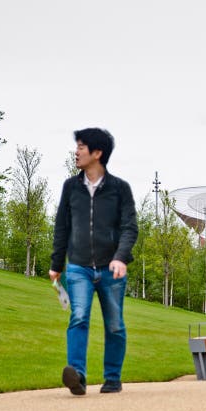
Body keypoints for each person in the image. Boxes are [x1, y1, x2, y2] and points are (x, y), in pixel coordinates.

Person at [50, 128, 138, 396]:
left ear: (97, 153)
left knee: (114, 324)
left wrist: (121, 257)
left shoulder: (119, 189)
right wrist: (57, 263)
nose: (76, 151)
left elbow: (129, 227)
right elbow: (62, 226)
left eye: (81, 147)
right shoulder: (70, 187)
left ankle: (112, 377)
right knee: (78, 317)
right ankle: (77, 375)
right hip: (78, 267)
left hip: (111, 269)